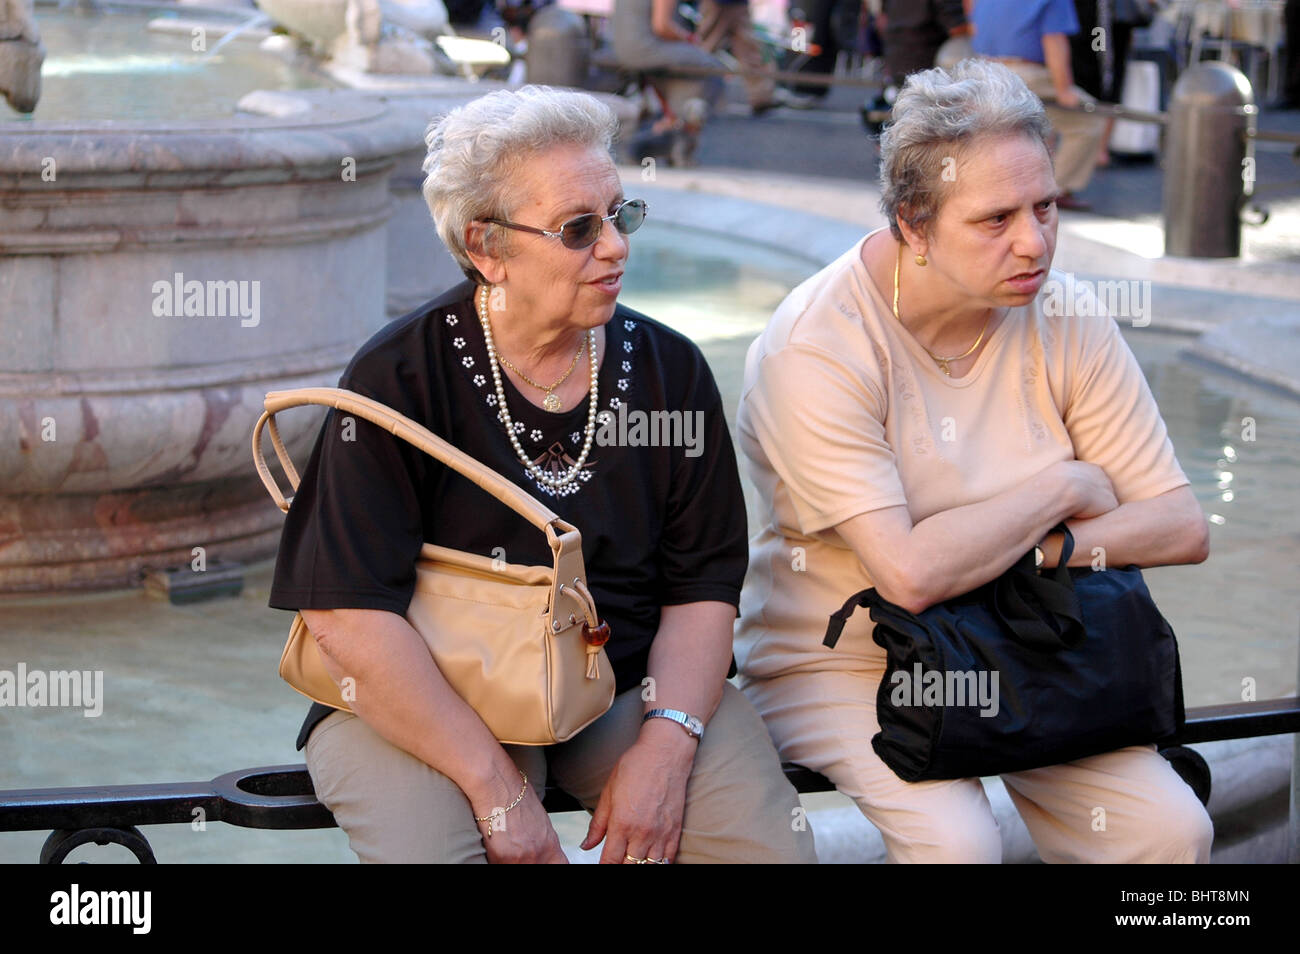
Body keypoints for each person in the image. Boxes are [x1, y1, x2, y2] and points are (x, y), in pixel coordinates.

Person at [268, 86, 816, 865]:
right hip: (429, 691)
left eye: (620, 216)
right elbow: (345, 614)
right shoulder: (397, 379)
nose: (617, 247)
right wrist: (497, 788)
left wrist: (668, 745)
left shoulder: (672, 371)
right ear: (487, 247)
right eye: (578, 229)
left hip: (623, 685)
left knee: (770, 856)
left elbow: (700, 584)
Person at [733, 59, 1213, 863]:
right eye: (995, 220)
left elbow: (1178, 526)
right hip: (853, 660)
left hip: (1027, 635)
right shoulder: (816, 346)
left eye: (1046, 207)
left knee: (1169, 830)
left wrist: (1042, 546)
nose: (1035, 242)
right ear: (912, 227)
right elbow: (911, 576)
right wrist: (1063, 486)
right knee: (959, 845)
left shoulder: (1066, 311)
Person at [969, 0, 1106, 209]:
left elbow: (974, 26)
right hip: (1024, 72)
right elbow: (1054, 42)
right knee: (1089, 120)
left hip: (982, 69)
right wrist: (1064, 90)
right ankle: (1056, 189)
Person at [612, 0, 726, 164]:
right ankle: (682, 124)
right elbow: (662, 27)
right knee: (713, 68)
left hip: (621, 49)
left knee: (682, 69)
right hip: (646, 48)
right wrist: (690, 39)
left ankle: (672, 123)